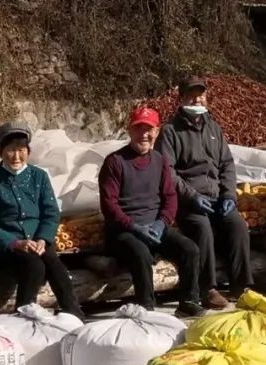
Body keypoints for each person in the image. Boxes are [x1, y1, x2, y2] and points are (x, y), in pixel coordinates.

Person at [99, 107, 206, 318]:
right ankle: (146, 307)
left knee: (190, 249)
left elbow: (170, 197)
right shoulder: (114, 162)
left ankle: (188, 301)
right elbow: (109, 205)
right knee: (141, 253)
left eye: (149, 129)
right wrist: (134, 227)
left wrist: (162, 222)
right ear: (130, 131)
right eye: (139, 128)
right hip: (124, 230)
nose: (144, 135)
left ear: (157, 132)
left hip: (155, 227)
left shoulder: (159, 160)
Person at [157, 75, 252, 308]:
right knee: (202, 228)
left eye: (201, 95)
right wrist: (192, 196)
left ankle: (241, 285)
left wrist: (228, 195)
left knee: (237, 225)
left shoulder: (213, 128)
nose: (197, 100)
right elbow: (168, 172)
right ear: (181, 99)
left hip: (216, 197)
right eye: (192, 96)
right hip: (188, 201)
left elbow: (227, 164)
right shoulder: (170, 131)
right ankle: (207, 288)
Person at [0, 122, 85, 319]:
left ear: (28, 151)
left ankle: (74, 314)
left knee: (54, 265)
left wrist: (43, 239)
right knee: (35, 266)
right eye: (10, 150)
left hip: (37, 241)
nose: (16, 156)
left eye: (21, 150)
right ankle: (24, 314)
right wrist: (15, 242)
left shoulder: (39, 176)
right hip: (8, 246)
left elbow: (51, 212)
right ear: (1, 152)